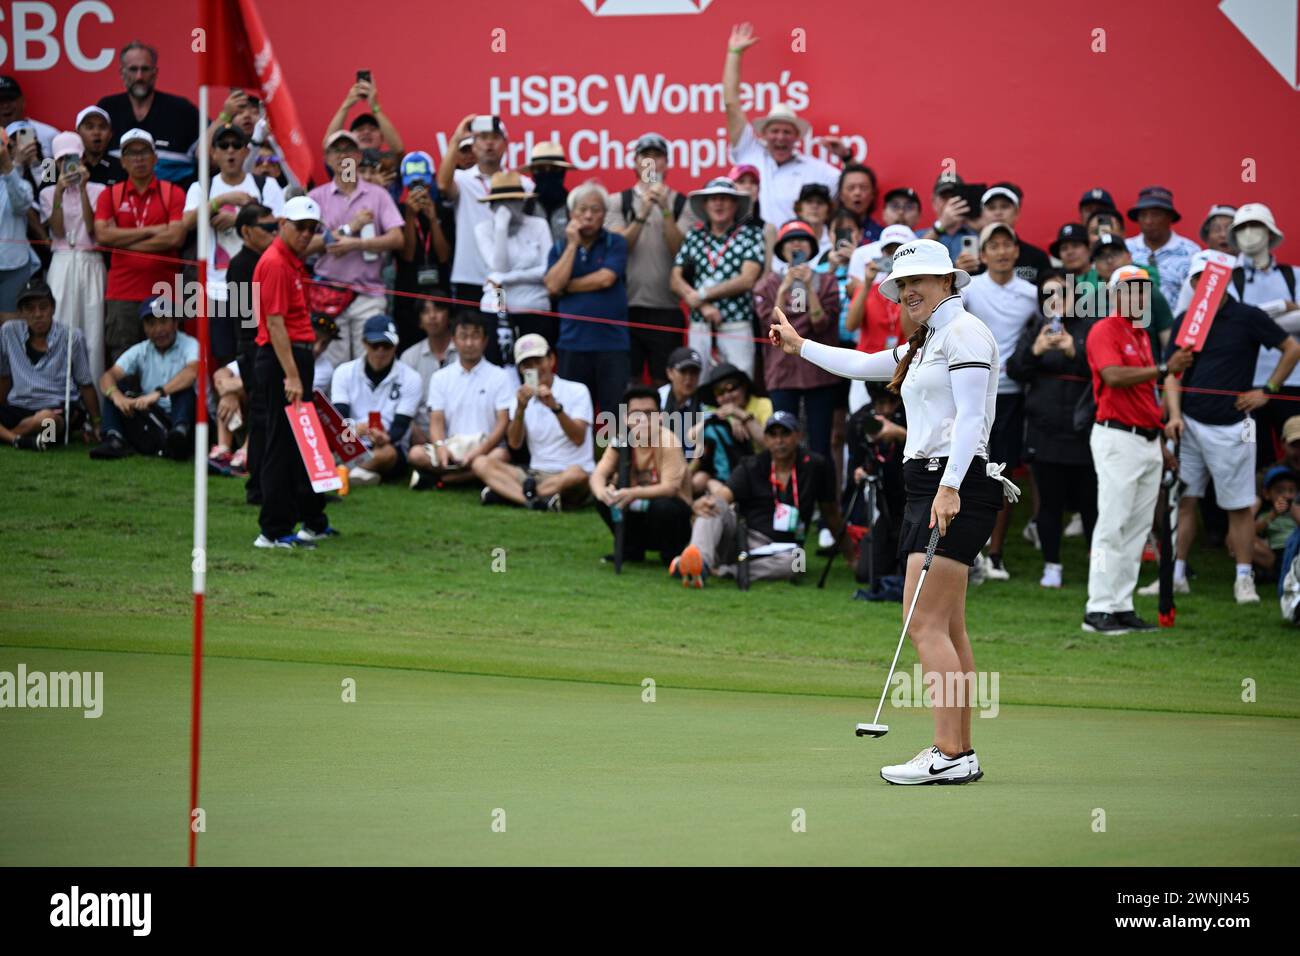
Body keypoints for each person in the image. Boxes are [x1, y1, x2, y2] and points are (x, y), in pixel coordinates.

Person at [770, 237, 1019, 785]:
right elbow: (860, 363)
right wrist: (799, 345)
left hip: (953, 484)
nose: (907, 291)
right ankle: (962, 751)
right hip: (925, 485)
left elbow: (973, 422)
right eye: (902, 284)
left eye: (918, 281)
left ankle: (948, 752)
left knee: (923, 620)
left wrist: (949, 489)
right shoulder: (924, 341)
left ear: (947, 282)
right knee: (947, 624)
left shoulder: (965, 333)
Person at [1149, 249, 1300, 604]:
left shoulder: (1247, 316)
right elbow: (1172, 373)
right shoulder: (1188, 319)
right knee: (1184, 501)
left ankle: (1243, 579)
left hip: (1235, 426)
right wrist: (1173, 415)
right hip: (1189, 425)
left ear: (1224, 280)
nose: (1204, 285)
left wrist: (1268, 391)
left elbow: (1291, 348)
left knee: (1238, 504)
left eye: (1209, 279)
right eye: (1197, 280)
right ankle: (1177, 574)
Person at [1082, 265, 1193, 633]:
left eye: (1144, 290)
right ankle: (1097, 608)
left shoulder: (1141, 334)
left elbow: (1148, 392)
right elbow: (1113, 376)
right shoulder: (1104, 329)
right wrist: (1164, 368)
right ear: (1114, 295)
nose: (1138, 296)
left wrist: (1162, 435)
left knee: (1137, 528)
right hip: (1117, 436)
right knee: (1112, 525)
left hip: (1146, 438)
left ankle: (1121, 605)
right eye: (1131, 290)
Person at [673, 410, 848, 585]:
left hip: (789, 548)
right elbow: (723, 497)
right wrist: (704, 503)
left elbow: (831, 513)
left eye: (785, 434)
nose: (779, 441)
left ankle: (729, 572)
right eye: (773, 435)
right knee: (712, 505)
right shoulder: (752, 464)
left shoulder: (815, 465)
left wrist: (851, 554)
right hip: (745, 538)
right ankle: (700, 563)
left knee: (796, 565)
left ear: (798, 436)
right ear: (765, 439)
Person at [250, 195, 336, 549]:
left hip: (293, 358)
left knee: (303, 442)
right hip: (281, 362)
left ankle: (312, 519)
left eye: (311, 229)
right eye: (299, 227)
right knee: (282, 445)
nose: (305, 235)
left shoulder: (289, 259)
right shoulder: (275, 263)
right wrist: (293, 375)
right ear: (282, 224)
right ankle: (273, 529)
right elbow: (274, 324)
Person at [1007, 270, 1097, 588]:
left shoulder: (1090, 328)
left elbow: (1104, 373)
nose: (1055, 301)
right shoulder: (1034, 328)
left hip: (1083, 429)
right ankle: (1052, 565)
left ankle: (1096, 565)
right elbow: (1014, 369)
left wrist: (1076, 352)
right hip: (1044, 430)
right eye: (1048, 296)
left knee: (1091, 503)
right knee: (1049, 503)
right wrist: (1036, 351)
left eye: (1061, 293)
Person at [961, 221, 1039, 578]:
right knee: (967, 467)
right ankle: (966, 550)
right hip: (972, 393)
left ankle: (995, 553)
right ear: (983, 253)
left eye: (1008, 245)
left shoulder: (1031, 293)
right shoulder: (971, 289)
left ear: (1016, 251)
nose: (1002, 252)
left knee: (1002, 472)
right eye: (994, 246)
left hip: (1012, 397)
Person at [723, 23, 844, 230]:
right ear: (763, 134)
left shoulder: (816, 169)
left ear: (797, 137)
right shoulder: (749, 152)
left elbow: (854, 192)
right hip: (751, 255)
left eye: (787, 132)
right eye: (775, 131)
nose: (780, 137)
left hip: (798, 256)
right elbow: (731, 104)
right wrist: (734, 54)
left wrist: (847, 158)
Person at [183, 124, 285, 366]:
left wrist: (238, 220)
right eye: (223, 145)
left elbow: (281, 229)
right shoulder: (202, 187)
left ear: (246, 151)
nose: (230, 151)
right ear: (214, 153)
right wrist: (223, 200)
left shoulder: (265, 185)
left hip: (258, 286)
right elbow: (185, 223)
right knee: (223, 357)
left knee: (257, 354)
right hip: (217, 289)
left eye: (236, 145)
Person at [605, 132, 695, 387]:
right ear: (635, 162)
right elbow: (618, 248)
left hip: (666, 309)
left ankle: (666, 429)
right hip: (626, 307)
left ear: (667, 163)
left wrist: (665, 210)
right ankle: (628, 429)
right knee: (628, 383)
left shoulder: (682, 203)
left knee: (666, 383)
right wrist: (642, 213)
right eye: (645, 156)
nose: (651, 162)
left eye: (657, 156)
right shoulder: (618, 202)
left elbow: (682, 252)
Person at [308, 130, 404, 367]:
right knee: (331, 367)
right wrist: (346, 231)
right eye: (336, 151)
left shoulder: (377, 195)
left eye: (349, 150)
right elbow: (303, 245)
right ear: (327, 159)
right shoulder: (316, 197)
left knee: (370, 363)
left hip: (368, 294)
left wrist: (358, 244)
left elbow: (397, 238)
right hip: (328, 295)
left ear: (358, 157)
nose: (343, 156)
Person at [92, 128, 187, 364]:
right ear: (122, 162)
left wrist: (121, 240)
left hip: (165, 292)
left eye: (144, 152)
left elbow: (175, 238)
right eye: (131, 154)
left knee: (169, 361)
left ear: (155, 158)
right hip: (122, 293)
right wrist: (152, 230)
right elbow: (102, 235)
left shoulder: (173, 193)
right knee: (124, 360)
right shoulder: (109, 195)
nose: (139, 158)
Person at [752, 220, 841, 460]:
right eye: (791, 240)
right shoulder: (767, 284)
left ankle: (824, 497)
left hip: (818, 372)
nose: (796, 244)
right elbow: (769, 323)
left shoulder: (827, 281)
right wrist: (784, 289)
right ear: (781, 249)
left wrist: (809, 287)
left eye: (802, 239)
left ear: (812, 247)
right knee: (782, 440)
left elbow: (821, 323)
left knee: (820, 444)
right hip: (782, 372)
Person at [476, 334, 594, 510]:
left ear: (551, 360)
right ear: (521, 370)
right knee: (481, 463)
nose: (535, 369)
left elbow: (578, 438)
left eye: (539, 361)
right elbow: (515, 444)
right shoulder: (520, 398)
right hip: (535, 474)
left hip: (569, 472)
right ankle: (533, 501)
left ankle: (510, 494)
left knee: (576, 476)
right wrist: (520, 409)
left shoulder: (577, 390)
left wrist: (555, 408)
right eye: (527, 365)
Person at [544, 181, 630, 416]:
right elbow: (552, 285)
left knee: (615, 415)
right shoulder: (560, 247)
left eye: (595, 210)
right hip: (573, 344)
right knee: (575, 413)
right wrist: (573, 245)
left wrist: (568, 287)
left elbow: (605, 279)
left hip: (612, 344)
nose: (588, 215)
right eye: (582, 210)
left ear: (604, 214)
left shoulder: (616, 242)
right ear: (571, 214)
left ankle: (615, 454)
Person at [671, 177, 764, 378]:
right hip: (700, 324)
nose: (718, 203)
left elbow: (747, 279)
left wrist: (703, 294)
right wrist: (702, 305)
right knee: (698, 384)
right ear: (705, 205)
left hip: (736, 323)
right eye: (712, 199)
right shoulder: (694, 236)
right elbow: (675, 278)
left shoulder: (751, 234)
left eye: (725, 198)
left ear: (735, 204)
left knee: (740, 381)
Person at [590, 385, 692, 565]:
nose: (643, 420)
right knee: (602, 498)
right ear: (625, 418)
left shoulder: (668, 441)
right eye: (636, 414)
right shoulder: (621, 440)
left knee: (663, 506)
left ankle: (672, 554)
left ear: (660, 416)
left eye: (649, 413)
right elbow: (598, 475)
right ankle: (630, 550)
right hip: (638, 511)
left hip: (672, 517)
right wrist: (603, 493)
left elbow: (670, 488)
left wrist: (632, 493)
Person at [438, 114, 532, 310]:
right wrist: (456, 138)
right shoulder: (462, 180)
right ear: (473, 145)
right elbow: (442, 184)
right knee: (469, 338)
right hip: (469, 278)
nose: (489, 143)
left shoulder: (523, 184)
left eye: (495, 137)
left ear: (505, 144)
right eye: (482, 137)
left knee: (501, 335)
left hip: (506, 278)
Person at [408, 313, 513, 489]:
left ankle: (444, 481)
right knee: (416, 454)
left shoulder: (500, 376)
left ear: (485, 340)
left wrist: (479, 452)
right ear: (454, 341)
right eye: (464, 337)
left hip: (484, 448)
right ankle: (472, 477)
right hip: (452, 447)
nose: (469, 343)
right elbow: (436, 420)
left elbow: (502, 423)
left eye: (475, 336)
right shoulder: (440, 377)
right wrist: (441, 447)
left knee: (501, 455)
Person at [1228, 204, 1300, 459]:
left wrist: (1254, 323)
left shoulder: (1294, 275)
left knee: (1297, 450)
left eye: (1254, 226)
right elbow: (1231, 324)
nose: (1248, 233)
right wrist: (1282, 307)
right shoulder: (1229, 279)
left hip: (1293, 384)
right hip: (1247, 387)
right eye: (1242, 228)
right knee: (1252, 457)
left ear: (1269, 233)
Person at [90, 296, 198, 461]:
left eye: (163, 321)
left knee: (184, 391)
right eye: (151, 323)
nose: (158, 329)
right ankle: (114, 439)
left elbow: (192, 372)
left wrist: (159, 392)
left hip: (189, 418)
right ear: (144, 328)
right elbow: (107, 376)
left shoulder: (190, 344)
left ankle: (180, 435)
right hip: (154, 416)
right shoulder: (141, 350)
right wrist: (117, 396)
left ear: (176, 323)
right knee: (116, 388)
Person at [40, 132, 107, 388]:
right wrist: (59, 192)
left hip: (91, 261)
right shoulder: (48, 193)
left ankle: (94, 412)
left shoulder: (98, 190)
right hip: (62, 262)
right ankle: (59, 402)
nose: (67, 164)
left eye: (72, 158)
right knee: (61, 330)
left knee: (93, 335)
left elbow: (92, 229)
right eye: (62, 160)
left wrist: (82, 191)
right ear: (56, 163)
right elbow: (56, 231)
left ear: (82, 159)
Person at [0, 279, 99, 449]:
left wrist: (97, 423)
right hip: (19, 406)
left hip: (56, 409)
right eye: (30, 308)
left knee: (49, 421)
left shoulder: (72, 337)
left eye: (43, 307)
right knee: (45, 429)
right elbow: (4, 377)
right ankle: (20, 440)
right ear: (21, 312)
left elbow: (85, 384)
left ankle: (11, 436)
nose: (38, 314)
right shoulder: (9, 331)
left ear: (53, 308)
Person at [330, 315, 421, 486]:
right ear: (364, 343)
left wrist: (384, 437)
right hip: (350, 441)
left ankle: (341, 471)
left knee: (388, 454)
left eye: (386, 345)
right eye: (375, 344)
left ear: (395, 345)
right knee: (329, 444)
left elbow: (400, 427)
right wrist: (355, 430)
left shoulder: (411, 378)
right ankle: (360, 473)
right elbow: (339, 417)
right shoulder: (344, 372)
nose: (381, 351)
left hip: (387, 446)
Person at [226, 203, 277, 503]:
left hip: (263, 347)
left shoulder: (266, 259)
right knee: (260, 419)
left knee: (269, 419)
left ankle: (268, 485)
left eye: (275, 226)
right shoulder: (242, 265)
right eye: (267, 228)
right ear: (246, 231)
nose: (274, 233)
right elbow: (246, 317)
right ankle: (257, 487)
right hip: (254, 349)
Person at [475, 171, 554, 362]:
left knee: (533, 364)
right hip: (499, 300)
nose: (508, 207)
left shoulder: (539, 225)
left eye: (513, 200)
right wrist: (501, 227)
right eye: (501, 202)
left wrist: (509, 278)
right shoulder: (483, 229)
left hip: (534, 303)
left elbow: (548, 270)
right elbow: (498, 268)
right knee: (501, 362)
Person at [96, 41, 200, 186]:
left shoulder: (182, 110)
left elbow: (213, 153)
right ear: (122, 73)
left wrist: (225, 117)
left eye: (145, 69)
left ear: (155, 72)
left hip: (177, 203)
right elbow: (87, 157)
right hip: (118, 204)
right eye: (133, 69)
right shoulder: (107, 109)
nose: (139, 76)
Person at [845, 224, 915, 414]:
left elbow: (911, 333)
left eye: (898, 252)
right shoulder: (869, 288)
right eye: (888, 251)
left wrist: (903, 286)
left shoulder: (916, 292)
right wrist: (867, 283)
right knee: (862, 424)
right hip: (866, 366)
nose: (892, 257)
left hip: (902, 367)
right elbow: (850, 325)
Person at [394, 151, 451, 351]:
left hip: (440, 289)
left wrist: (433, 218)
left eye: (423, 184)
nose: (418, 189)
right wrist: (410, 216)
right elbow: (407, 255)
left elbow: (444, 256)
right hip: (409, 294)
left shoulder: (444, 210)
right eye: (413, 185)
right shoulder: (398, 212)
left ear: (431, 182)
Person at [690, 362, 771, 492]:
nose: (727, 395)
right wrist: (728, 418)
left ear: (743, 387)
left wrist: (741, 415)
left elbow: (768, 444)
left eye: (732, 387)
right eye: (719, 392)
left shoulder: (763, 404)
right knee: (700, 479)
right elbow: (692, 436)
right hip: (723, 472)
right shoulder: (714, 410)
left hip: (759, 469)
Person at [1125, 185, 1200, 312]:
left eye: (1155, 215)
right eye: (1143, 215)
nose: (1148, 221)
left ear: (1170, 217)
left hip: (1177, 326)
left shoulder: (1190, 252)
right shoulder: (1126, 249)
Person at [400, 298, 458, 444]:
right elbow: (400, 402)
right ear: (420, 321)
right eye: (425, 312)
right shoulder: (409, 357)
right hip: (421, 433)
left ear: (449, 316)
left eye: (438, 310)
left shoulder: (464, 352)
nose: (432, 316)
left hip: (459, 430)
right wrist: (414, 430)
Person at [0, 126, 37, 323]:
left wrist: (36, 162)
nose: (24, 145)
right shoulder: (11, 169)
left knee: (12, 327)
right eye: (13, 141)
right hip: (26, 247)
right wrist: (13, 164)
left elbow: (49, 185)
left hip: (34, 253)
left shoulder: (45, 160)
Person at [978, 184, 1051, 283]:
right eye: (991, 208)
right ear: (982, 214)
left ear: (1017, 212)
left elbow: (1048, 294)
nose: (998, 212)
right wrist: (960, 274)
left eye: (1004, 206)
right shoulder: (972, 258)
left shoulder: (1037, 257)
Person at [323, 75, 404, 157]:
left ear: (382, 138)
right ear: (350, 138)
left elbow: (399, 150)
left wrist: (374, 106)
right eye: (360, 129)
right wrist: (346, 105)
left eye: (372, 129)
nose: (366, 132)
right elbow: (329, 145)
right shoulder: (345, 162)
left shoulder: (387, 162)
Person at [1253, 466, 1300, 582]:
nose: (1287, 496)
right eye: (1280, 491)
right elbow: (1254, 530)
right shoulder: (1267, 514)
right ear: (1267, 494)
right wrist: (1273, 514)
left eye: (1291, 491)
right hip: (1279, 551)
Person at [728, 163, 776, 271]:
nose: (748, 186)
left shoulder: (768, 229)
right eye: (741, 182)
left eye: (753, 182)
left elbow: (768, 274)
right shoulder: (719, 226)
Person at [522, 141, 573, 244]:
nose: (547, 173)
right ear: (532, 172)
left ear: (563, 171)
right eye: (540, 169)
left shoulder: (574, 207)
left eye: (555, 169)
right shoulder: (524, 208)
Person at [0, 77, 56, 157]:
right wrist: (17, 164)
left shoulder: (48, 136)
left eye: (10, 99)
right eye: (0, 101)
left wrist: (38, 163)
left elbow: (53, 169)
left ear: (23, 101)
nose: (5, 105)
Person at [75, 106, 126, 187]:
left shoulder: (122, 167)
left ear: (110, 134)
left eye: (102, 127)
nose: (96, 132)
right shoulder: (56, 165)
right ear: (77, 133)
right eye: (90, 127)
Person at [837, 164, 882, 242]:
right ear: (841, 194)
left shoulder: (882, 236)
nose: (857, 193)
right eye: (851, 188)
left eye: (864, 187)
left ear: (873, 194)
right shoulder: (827, 232)